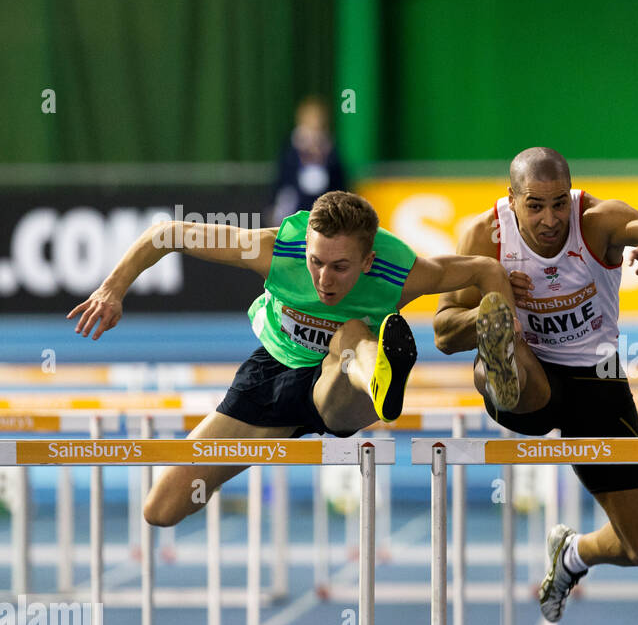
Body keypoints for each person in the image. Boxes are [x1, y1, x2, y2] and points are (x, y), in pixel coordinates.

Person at [68, 190, 520, 528]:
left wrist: (505, 343)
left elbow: (486, 269)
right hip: (270, 372)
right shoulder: (272, 249)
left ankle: (381, 376)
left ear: (367, 261)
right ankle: (336, 392)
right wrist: (112, 288)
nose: (324, 279)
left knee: (351, 337)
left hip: (338, 386)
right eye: (316, 261)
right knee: (160, 510)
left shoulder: (403, 274)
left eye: (340, 267)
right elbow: (164, 234)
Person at [434, 147, 638, 623]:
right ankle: (498, 368)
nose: (550, 219)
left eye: (559, 203)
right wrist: (491, 309)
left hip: (597, 382)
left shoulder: (599, 220)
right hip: (530, 377)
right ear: (512, 199)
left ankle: (572, 554)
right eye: (535, 205)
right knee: (507, 353)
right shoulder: (483, 235)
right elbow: (443, 333)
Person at [271, 96, 347, 224]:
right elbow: (281, 178)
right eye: (311, 118)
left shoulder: (331, 147)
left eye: (318, 118)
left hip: (324, 205)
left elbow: (340, 179)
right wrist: (275, 205)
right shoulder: (291, 146)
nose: (315, 122)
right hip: (295, 205)